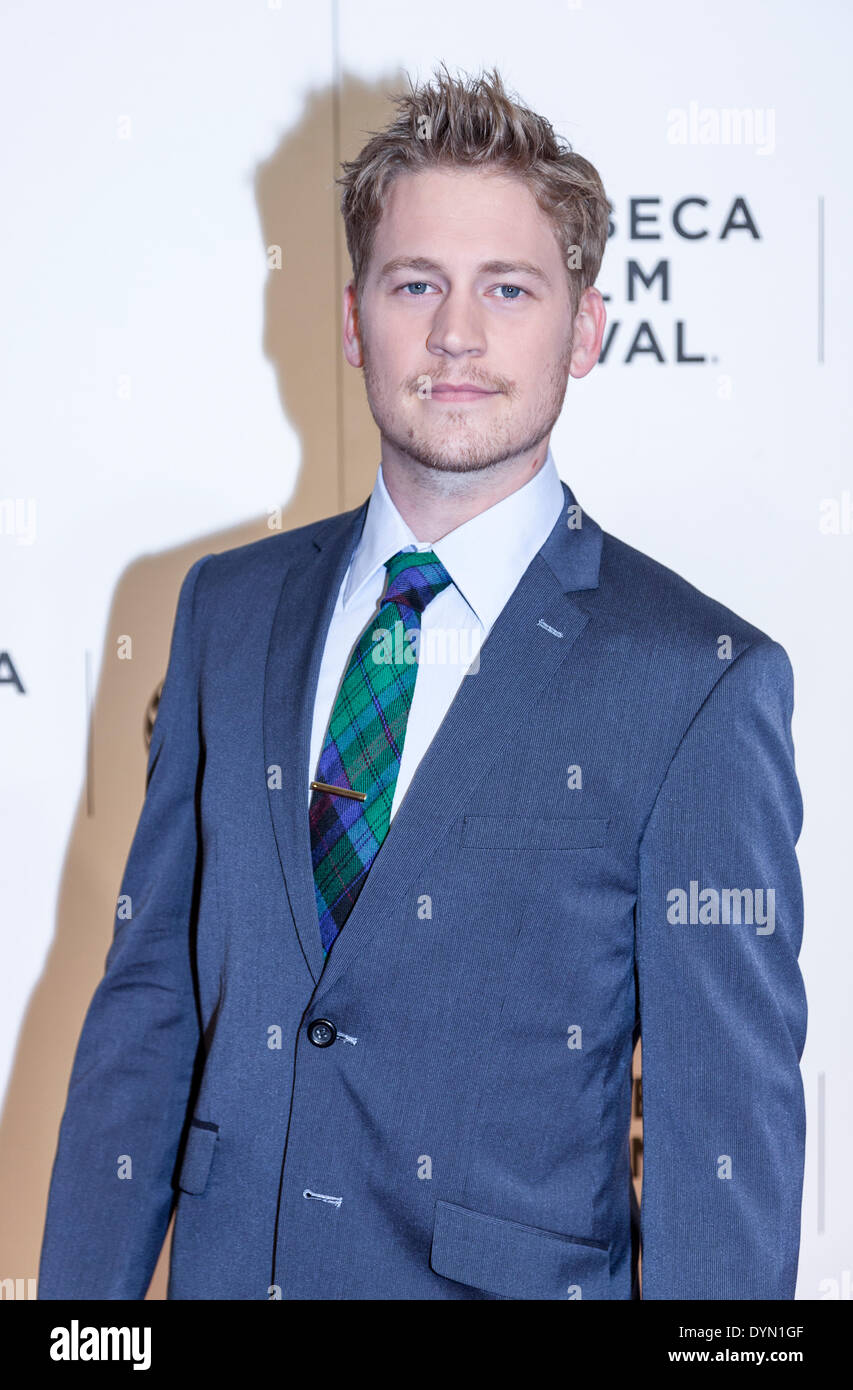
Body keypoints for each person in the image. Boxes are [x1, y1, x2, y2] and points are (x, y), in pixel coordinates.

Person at [39, 65, 806, 1301]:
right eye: (416, 285)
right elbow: (145, 1015)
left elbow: (727, 1146)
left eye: (509, 288)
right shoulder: (225, 615)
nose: (457, 333)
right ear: (353, 323)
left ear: (588, 329)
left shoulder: (698, 684)